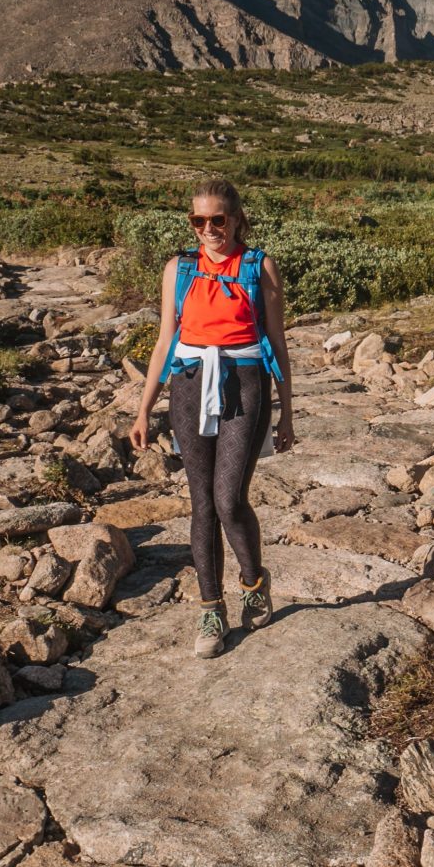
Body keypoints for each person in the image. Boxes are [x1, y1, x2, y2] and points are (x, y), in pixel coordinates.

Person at [127, 178, 294, 658]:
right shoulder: (178, 269)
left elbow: (278, 343)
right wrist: (143, 409)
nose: (208, 229)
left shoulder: (259, 267)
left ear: (237, 219)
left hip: (245, 383)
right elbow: (164, 340)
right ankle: (210, 609)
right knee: (200, 503)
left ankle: (253, 580)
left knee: (228, 498)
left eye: (217, 219)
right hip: (188, 383)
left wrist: (287, 414)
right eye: (198, 220)